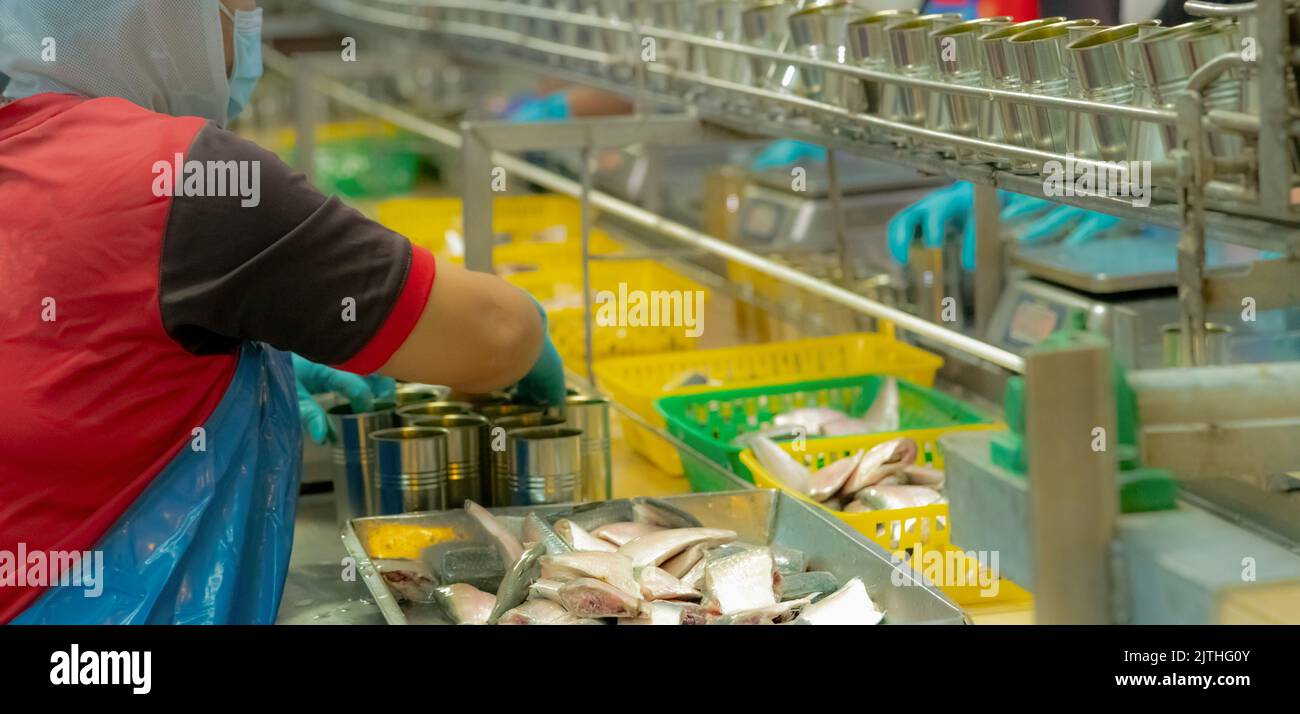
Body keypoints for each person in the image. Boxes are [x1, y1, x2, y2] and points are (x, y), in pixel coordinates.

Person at [0, 0, 566, 624]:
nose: (244, 35)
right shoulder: (187, 173)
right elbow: (493, 333)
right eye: (231, 8)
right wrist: (529, 335)